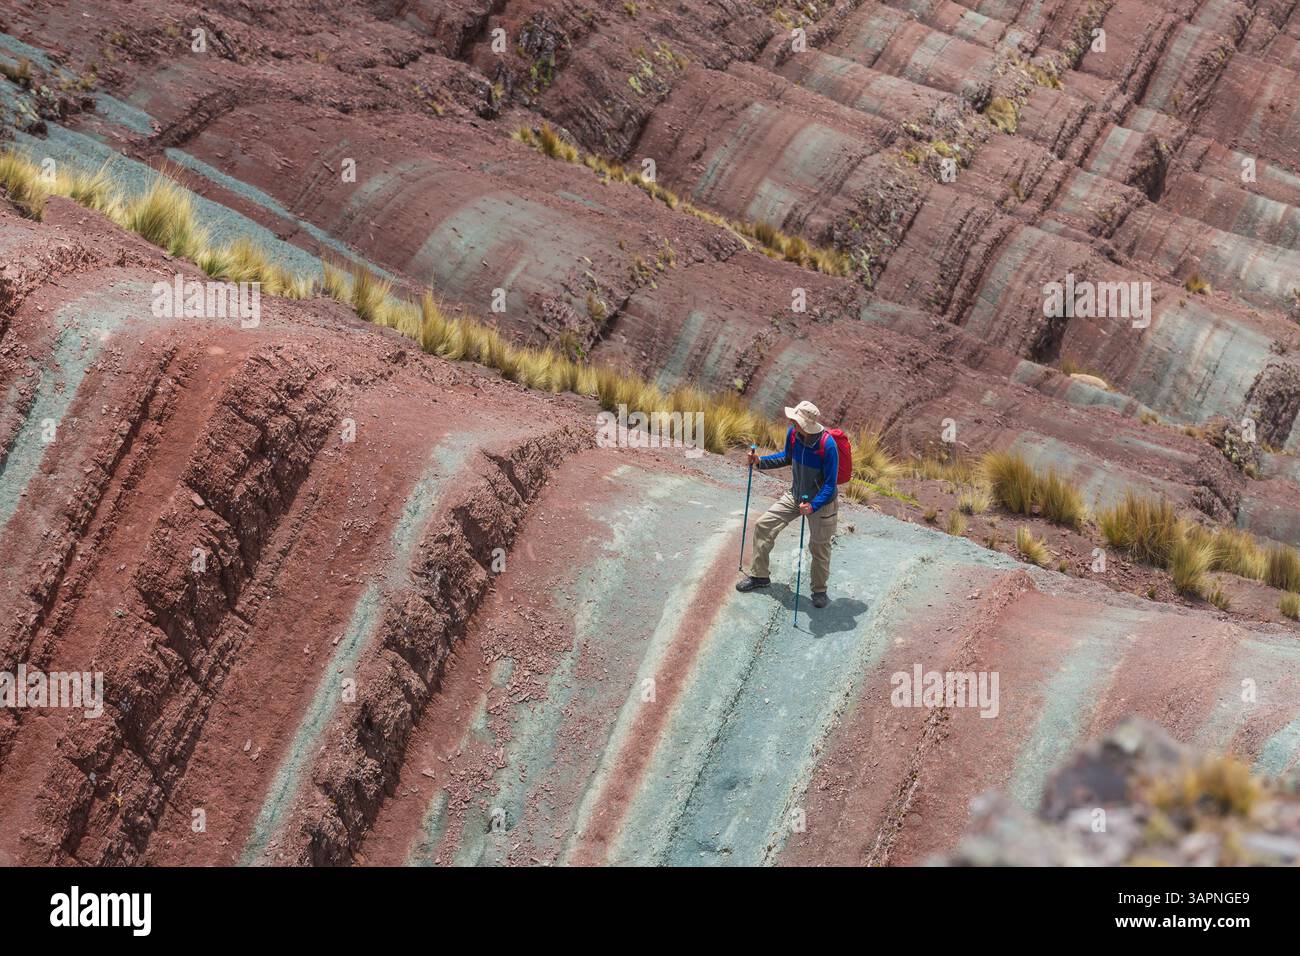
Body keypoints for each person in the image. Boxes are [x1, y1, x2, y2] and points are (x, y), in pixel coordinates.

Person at [736, 400, 837, 608]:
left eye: (796, 420)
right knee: (764, 525)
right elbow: (787, 457)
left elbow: (830, 484)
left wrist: (813, 506)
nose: (792, 422)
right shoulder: (793, 434)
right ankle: (760, 576)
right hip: (796, 495)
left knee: (819, 546)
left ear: (807, 424)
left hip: (821, 503)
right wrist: (760, 462)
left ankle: (819, 591)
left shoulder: (827, 445)